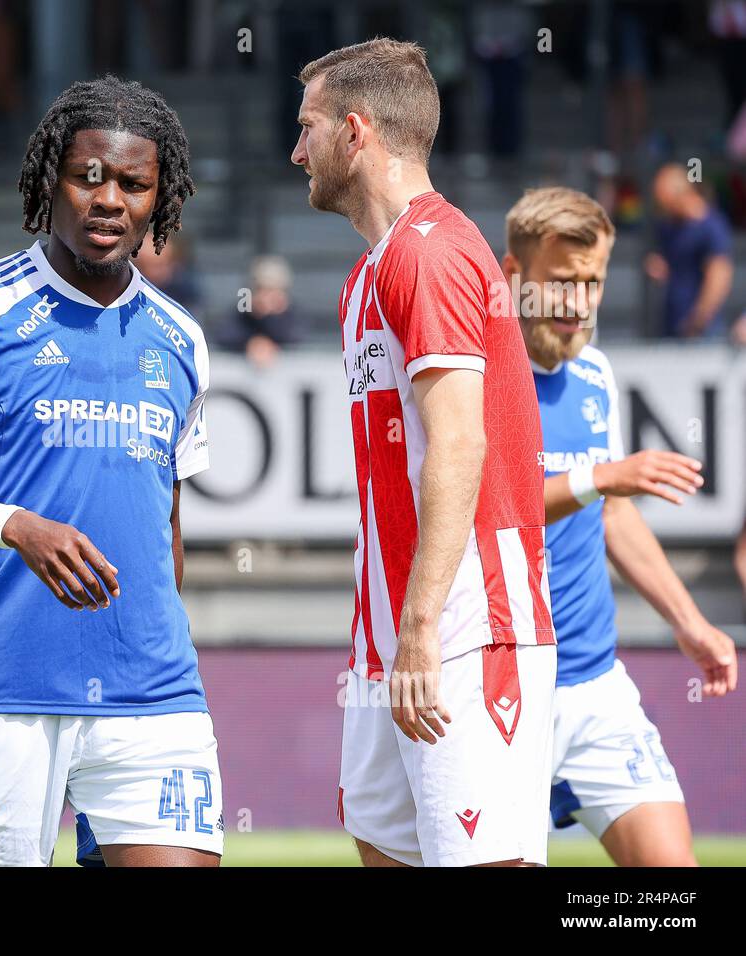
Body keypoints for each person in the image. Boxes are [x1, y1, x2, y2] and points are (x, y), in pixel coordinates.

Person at [0, 76, 220, 867]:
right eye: (88, 177)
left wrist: (158, 645)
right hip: (6, 689)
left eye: (134, 184)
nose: (109, 201)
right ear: (47, 181)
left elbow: (166, 524)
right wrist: (13, 525)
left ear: (159, 199)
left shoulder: (182, 339)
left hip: (152, 694)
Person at [291, 39, 556, 867]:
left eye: (308, 128)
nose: (296, 150)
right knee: (383, 845)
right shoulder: (366, 275)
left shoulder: (430, 251)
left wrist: (420, 627)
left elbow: (461, 441)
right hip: (394, 628)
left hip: (463, 622)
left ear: (356, 131)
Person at [504, 186, 737, 865]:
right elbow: (485, 508)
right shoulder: (479, 376)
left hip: (596, 685)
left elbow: (611, 513)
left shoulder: (596, 374)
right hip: (501, 690)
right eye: (561, 283)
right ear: (515, 277)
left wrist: (689, 621)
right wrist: (600, 478)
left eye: (594, 282)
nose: (579, 302)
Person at [645, 164, 734, 339]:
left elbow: (719, 277)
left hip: (702, 332)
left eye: (666, 203)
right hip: (671, 324)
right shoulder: (669, 227)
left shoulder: (712, 227)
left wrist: (698, 321)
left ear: (682, 195)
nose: (663, 210)